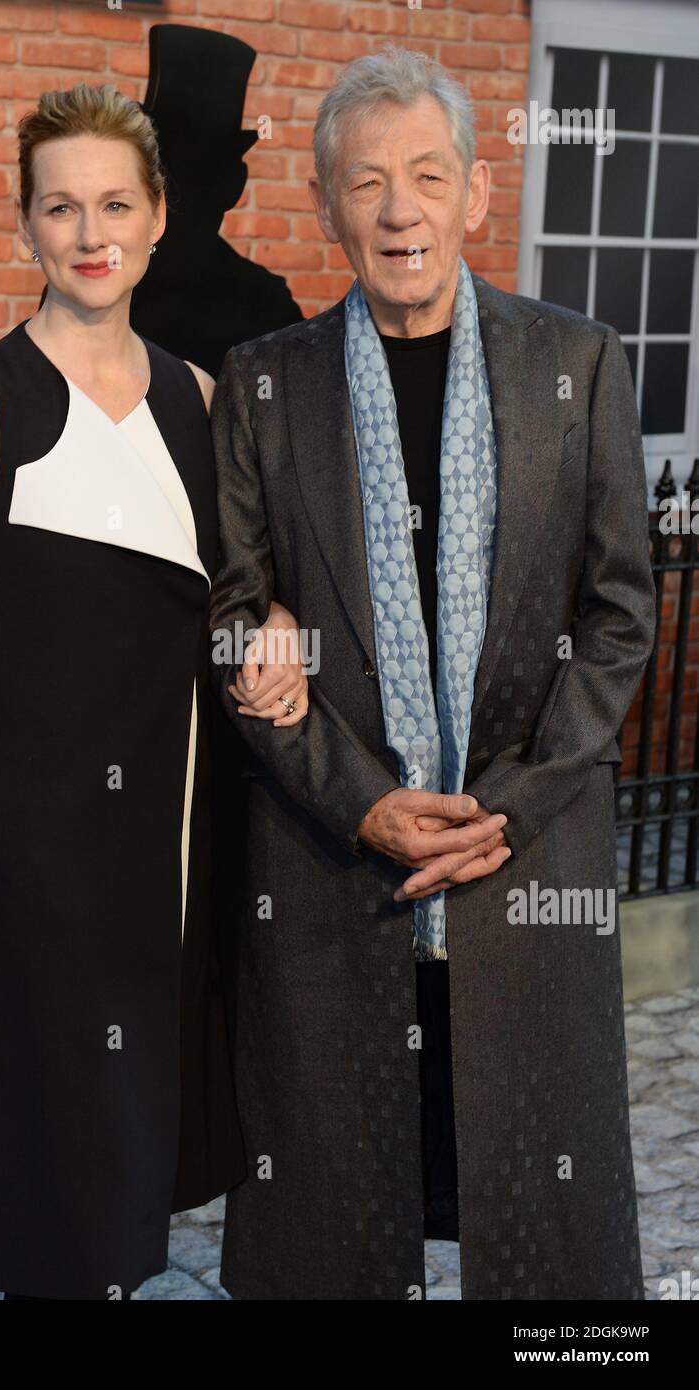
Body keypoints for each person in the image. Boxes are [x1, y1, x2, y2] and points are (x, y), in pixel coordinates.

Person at [209, 46, 655, 1300]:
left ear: (472, 194)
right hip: (331, 863)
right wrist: (359, 798)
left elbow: (617, 611)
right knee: (336, 1220)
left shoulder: (576, 363)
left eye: (424, 175)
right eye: (365, 181)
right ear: (324, 205)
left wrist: (506, 802)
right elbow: (237, 614)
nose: (397, 209)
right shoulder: (261, 383)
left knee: (535, 1228)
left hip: (526, 861)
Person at [0, 81, 309, 1301]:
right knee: (39, 1154)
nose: (90, 230)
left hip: (163, 842)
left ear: (159, 215)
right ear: (24, 227)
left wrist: (271, 629)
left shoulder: (195, 402)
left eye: (115, 201)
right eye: (60, 207)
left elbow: (234, 597)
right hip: (23, 834)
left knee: (124, 1153)